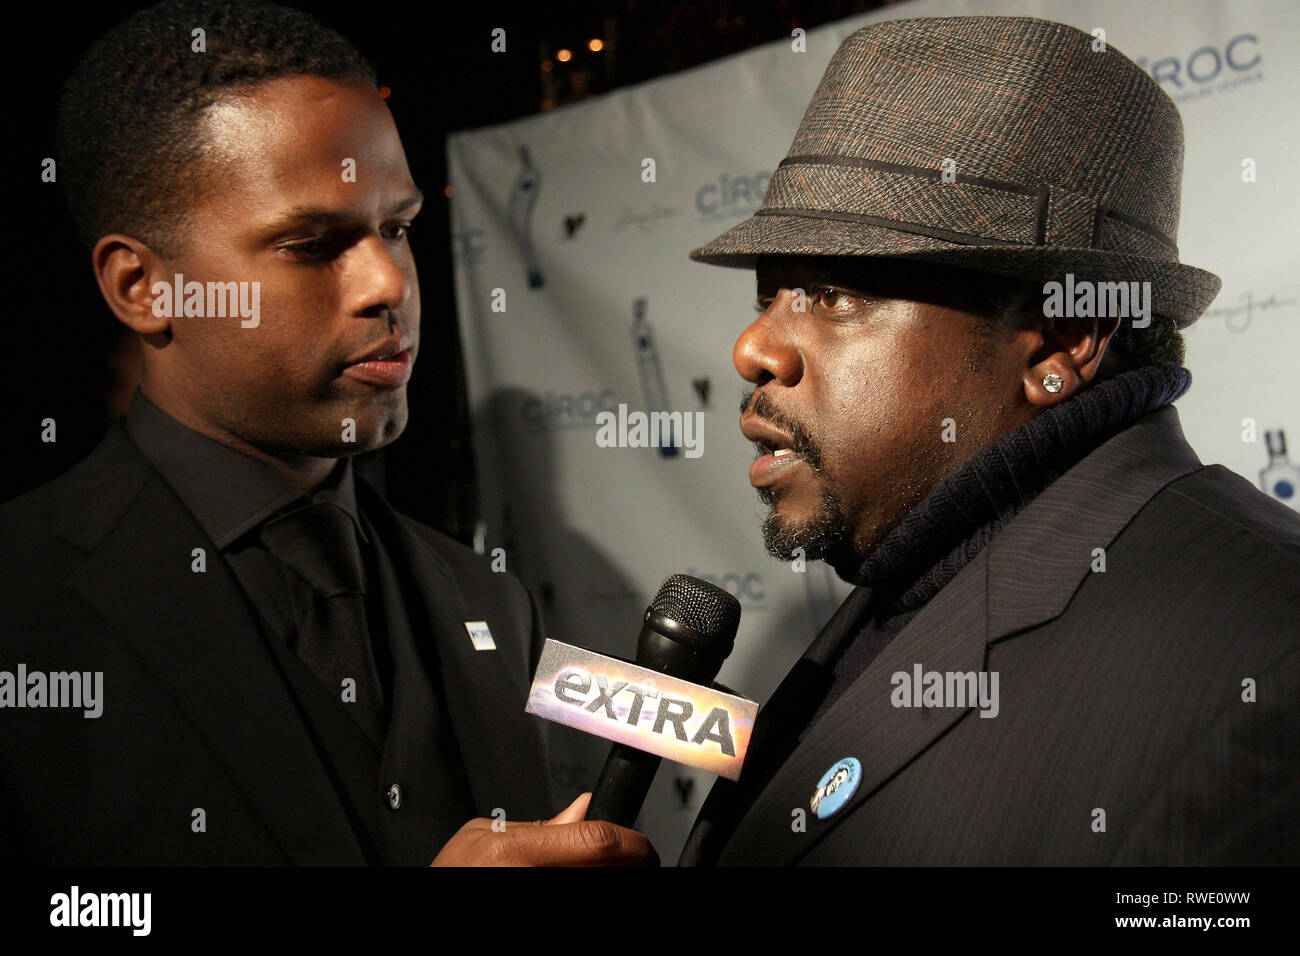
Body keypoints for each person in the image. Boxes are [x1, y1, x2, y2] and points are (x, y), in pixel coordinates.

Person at [0, 0, 652, 867]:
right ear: (142, 287)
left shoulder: (486, 602)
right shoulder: (21, 602)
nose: (389, 283)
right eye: (312, 245)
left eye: (398, 228)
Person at [678, 15, 1300, 865]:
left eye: (829, 293)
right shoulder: (906, 572)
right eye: (770, 293)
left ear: (1058, 340)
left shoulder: (1270, 650)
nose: (753, 348)